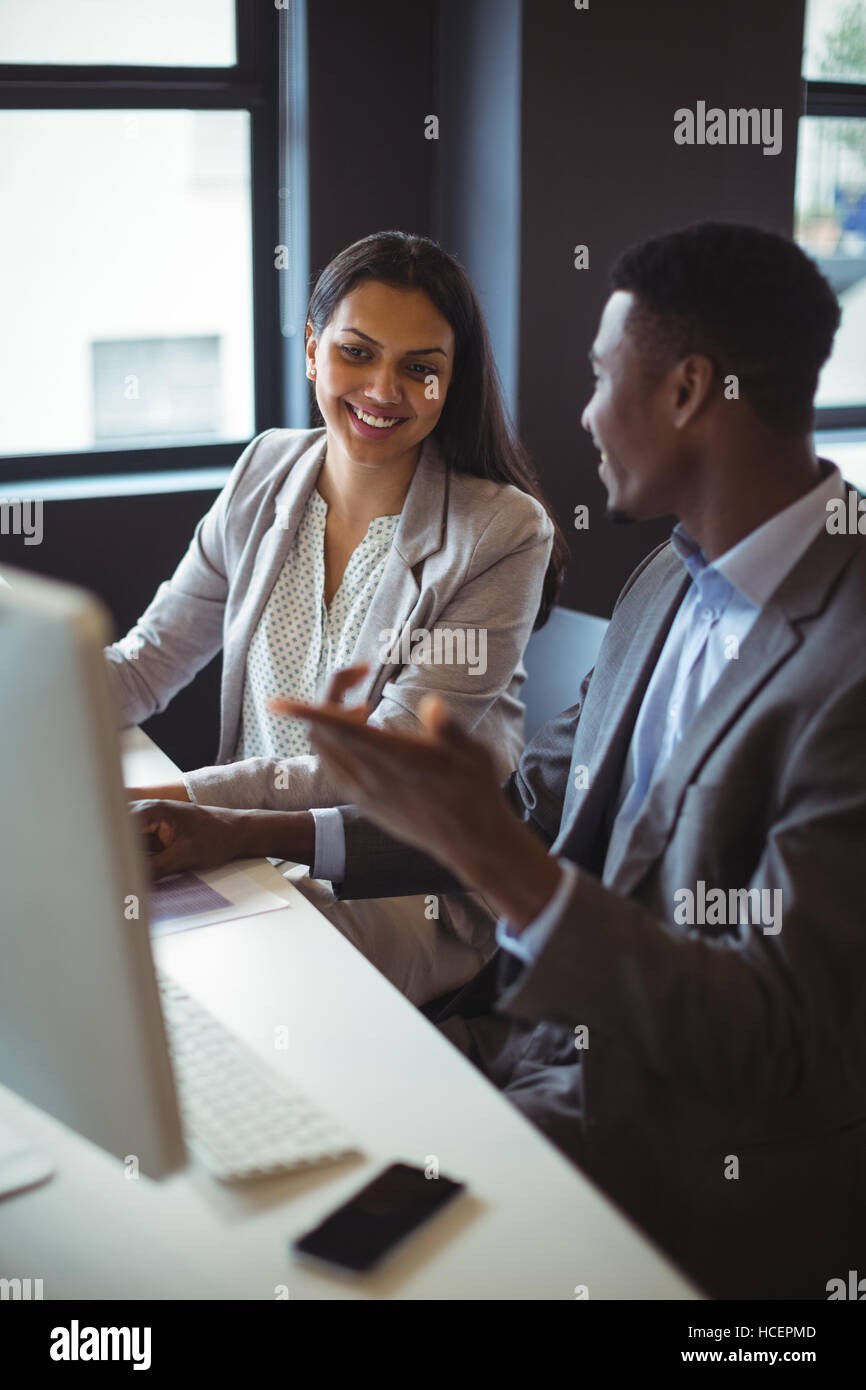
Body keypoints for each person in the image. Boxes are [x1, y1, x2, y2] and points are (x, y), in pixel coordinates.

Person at [133, 221, 866, 1299]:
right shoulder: (669, 579)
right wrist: (240, 832)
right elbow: (527, 810)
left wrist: (496, 862)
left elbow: (779, 1040)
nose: (580, 414)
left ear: (685, 391)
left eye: (599, 377)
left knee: (310, 1256)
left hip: (703, 1149)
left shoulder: (848, 649)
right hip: (544, 1047)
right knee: (233, 1159)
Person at [109, 231, 564, 1005]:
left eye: (420, 368)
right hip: (244, 844)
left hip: (398, 877)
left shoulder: (502, 530)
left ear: (449, 384)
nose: (384, 390)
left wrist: (188, 799)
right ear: (315, 349)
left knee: (231, 986)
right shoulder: (265, 470)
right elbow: (150, 659)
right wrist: (34, 706)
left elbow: (380, 766)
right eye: (358, 352)